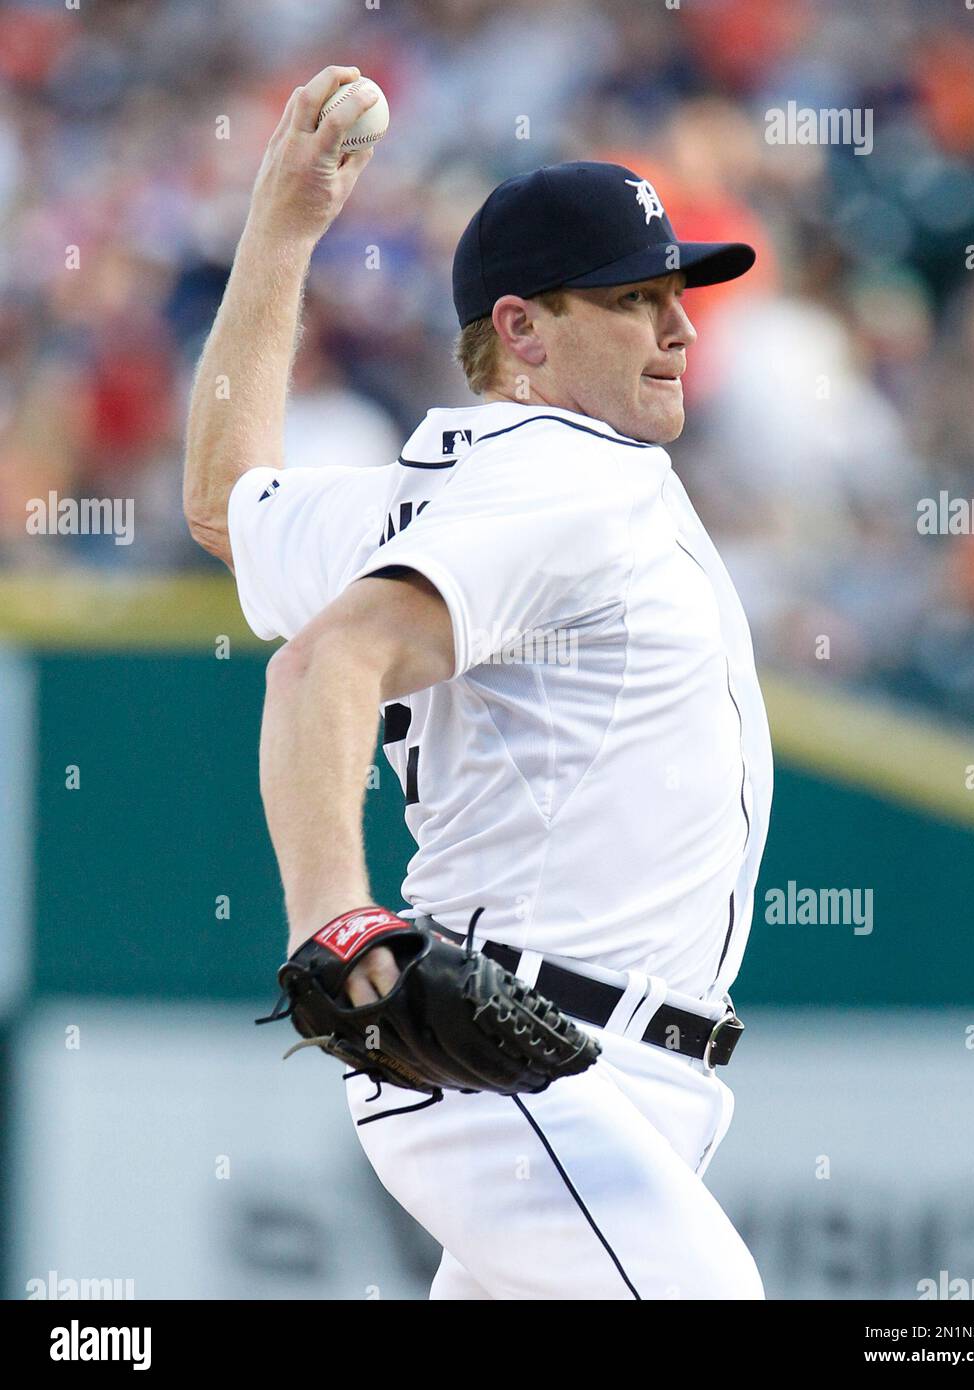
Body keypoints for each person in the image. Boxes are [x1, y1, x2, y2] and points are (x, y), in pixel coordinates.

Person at [184, 66, 772, 1300]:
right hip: (529, 1060)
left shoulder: (455, 487)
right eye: (634, 298)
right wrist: (334, 926)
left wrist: (281, 225)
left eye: (678, 295)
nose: (679, 328)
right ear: (522, 329)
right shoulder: (567, 473)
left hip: (550, 1071)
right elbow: (324, 664)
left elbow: (219, 500)